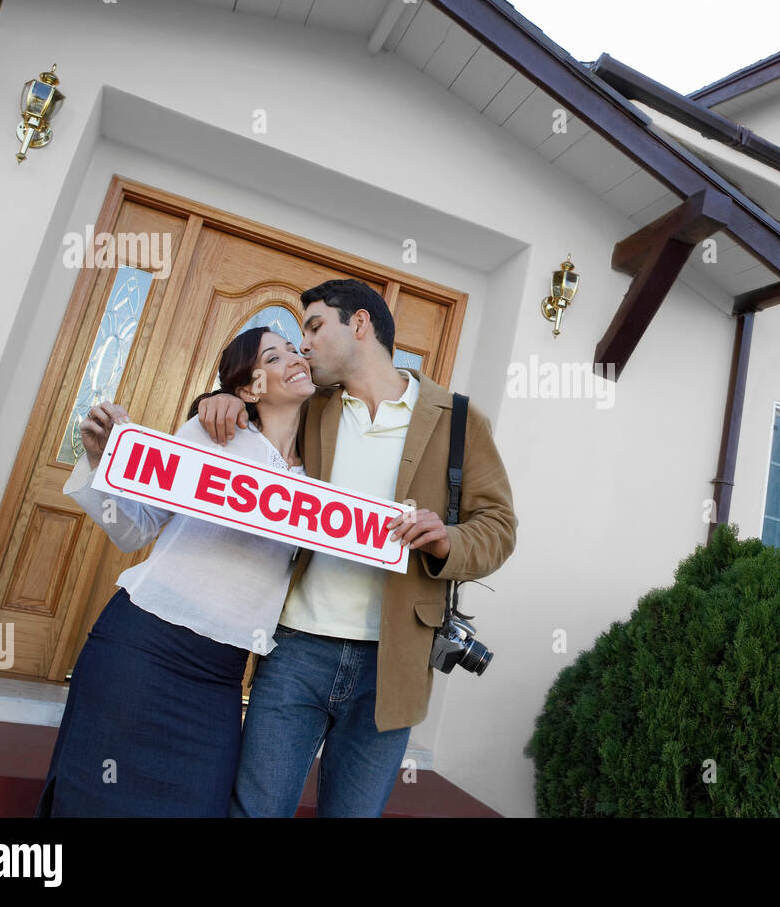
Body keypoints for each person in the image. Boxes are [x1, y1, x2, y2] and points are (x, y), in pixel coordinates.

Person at [196, 279, 517, 817]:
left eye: (315, 327)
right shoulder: (310, 408)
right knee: (255, 811)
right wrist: (222, 398)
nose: (305, 346)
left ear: (361, 324)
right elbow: (251, 424)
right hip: (295, 649)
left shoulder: (460, 420)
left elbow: (500, 526)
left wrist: (448, 541)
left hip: (393, 662)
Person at [36, 326, 317, 817]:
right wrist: (103, 461)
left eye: (295, 349)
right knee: (94, 801)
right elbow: (135, 531)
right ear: (250, 388)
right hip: (142, 647)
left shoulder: (318, 475)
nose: (295, 357)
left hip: (220, 678)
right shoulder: (215, 435)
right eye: (275, 355)